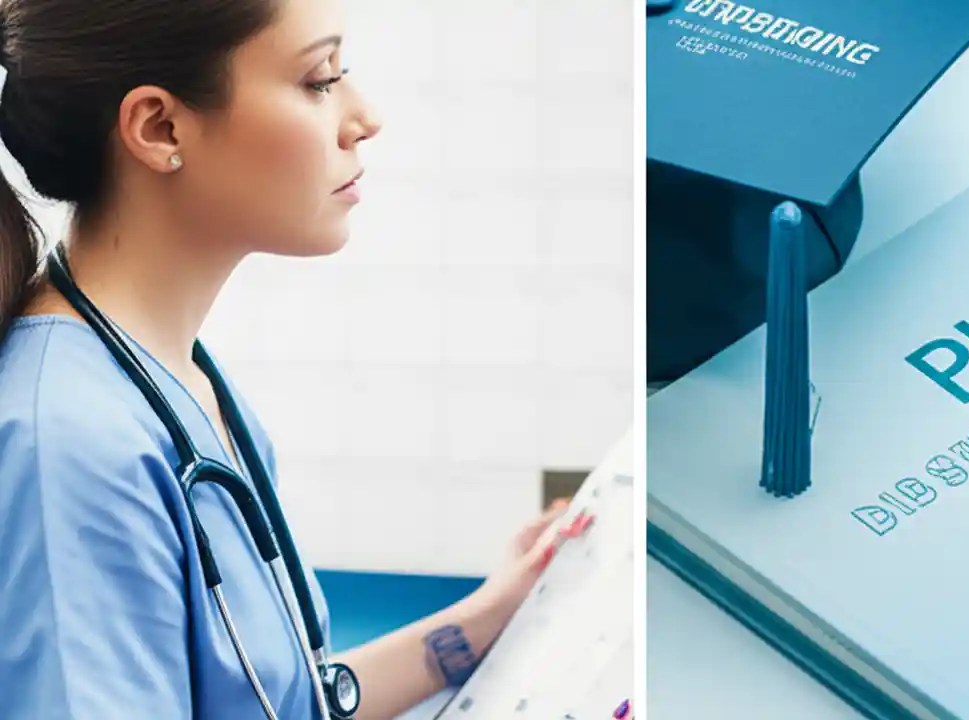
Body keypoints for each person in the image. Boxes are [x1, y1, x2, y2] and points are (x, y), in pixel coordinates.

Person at [0, 0, 590, 718]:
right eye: (320, 79)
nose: (364, 116)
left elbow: (283, 700)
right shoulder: (67, 444)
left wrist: (487, 617)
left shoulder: (179, 382)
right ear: (160, 127)